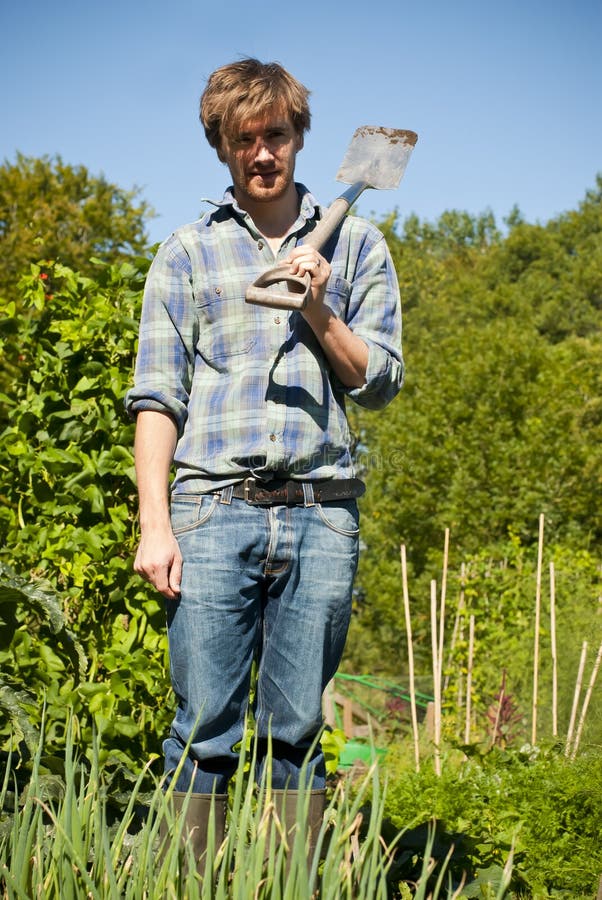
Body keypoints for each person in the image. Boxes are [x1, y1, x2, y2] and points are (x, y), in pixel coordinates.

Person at [125, 57, 403, 860]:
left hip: (322, 514)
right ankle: (188, 883)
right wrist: (156, 524)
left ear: (297, 137)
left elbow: (379, 382)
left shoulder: (356, 248)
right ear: (221, 146)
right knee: (206, 729)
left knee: (296, 732)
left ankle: (291, 884)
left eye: (275, 134)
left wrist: (318, 306)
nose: (262, 153)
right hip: (211, 512)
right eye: (242, 139)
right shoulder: (185, 255)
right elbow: (155, 398)